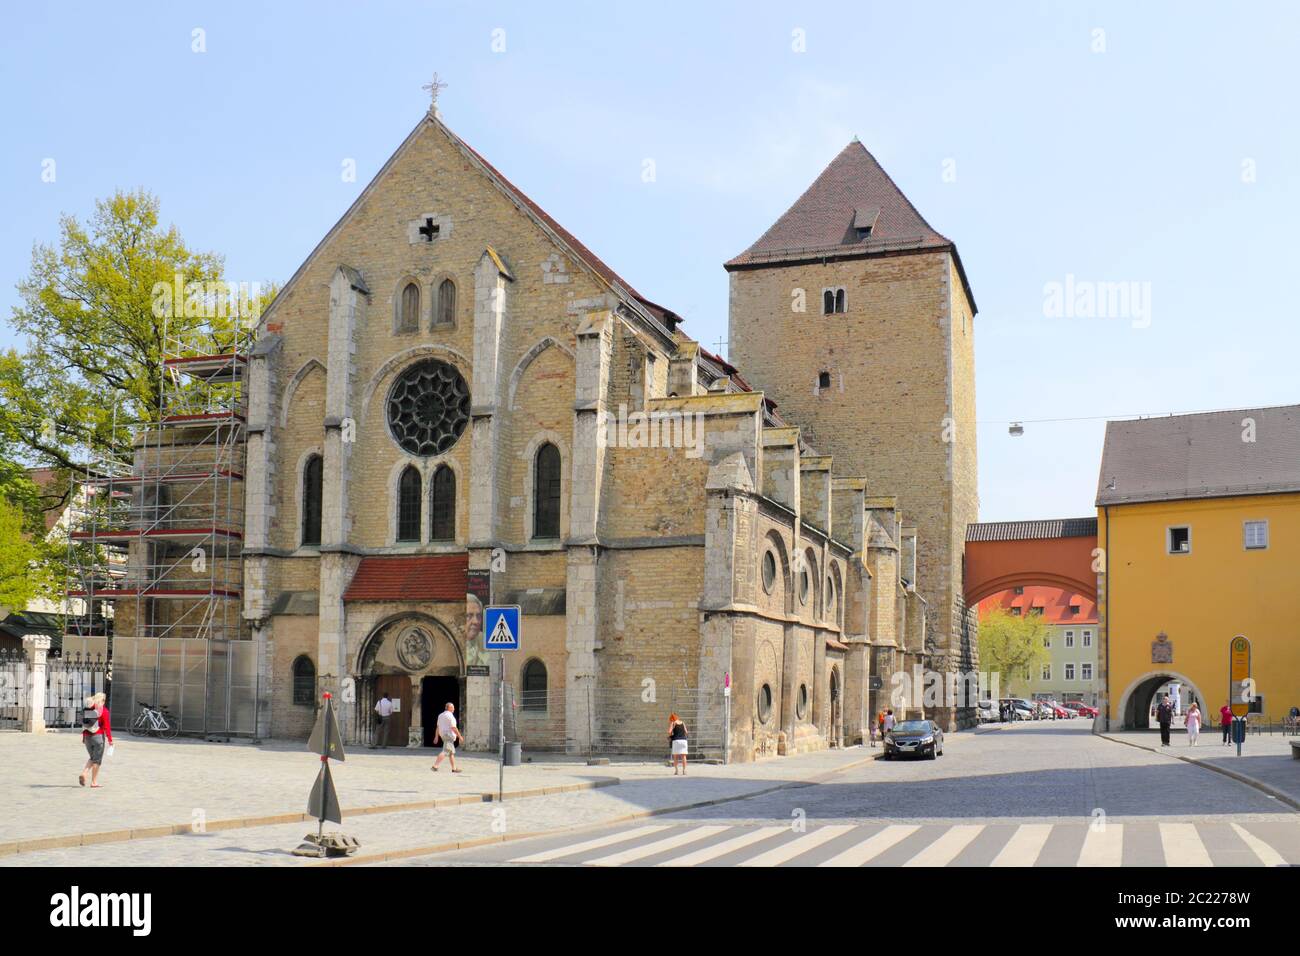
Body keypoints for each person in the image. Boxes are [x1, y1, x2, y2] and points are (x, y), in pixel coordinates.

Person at [79, 692, 113, 788]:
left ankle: (84, 773)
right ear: (102, 700)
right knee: (97, 760)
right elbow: (107, 727)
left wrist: (83, 738)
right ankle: (93, 782)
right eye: (104, 700)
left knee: (93, 757)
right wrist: (110, 740)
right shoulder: (104, 711)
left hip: (87, 738)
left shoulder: (88, 709)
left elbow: (85, 724)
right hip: (98, 737)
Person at [431, 702, 463, 773]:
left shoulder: (440, 715)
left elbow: (438, 727)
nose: (454, 709)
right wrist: (460, 736)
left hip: (443, 735)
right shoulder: (451, 716)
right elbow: (454, 728)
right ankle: (435, 766)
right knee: (445, 751)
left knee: (451, 752)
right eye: (453, 707)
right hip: (449, 735)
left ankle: (454, 768)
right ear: (450, 708)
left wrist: (436, 737)